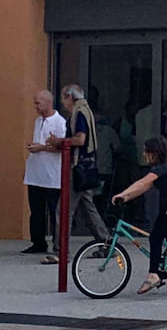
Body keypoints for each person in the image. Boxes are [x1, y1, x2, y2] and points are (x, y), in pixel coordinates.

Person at [112, 137, 167, 296]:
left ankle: (154, 274)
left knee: (155, 237)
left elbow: (142, 182)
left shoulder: (163, 168)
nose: (144, 154)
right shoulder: (160, 168)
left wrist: (122, 193)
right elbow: (144, 188)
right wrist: (126, 198)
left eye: (146, 151)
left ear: (155, 152)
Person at [60, 83, 108, 244]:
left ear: (70, 97)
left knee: (64, 210)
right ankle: (105, 243)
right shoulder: (85, 111)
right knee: (89, 208)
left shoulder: (79, 113)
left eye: (64, 98)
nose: (63, 103)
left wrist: (60, 141)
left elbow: (80, 140)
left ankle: (60, 249)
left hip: (78, 166)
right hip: (85, 166)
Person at [23, 89, 67, 262]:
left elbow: (63, 148)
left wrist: (41, 148)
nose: (35, 106)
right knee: (36, 210)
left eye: (38, 103)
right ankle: (38, 241)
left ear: (48, 103)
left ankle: (58, 244)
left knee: (54, 211)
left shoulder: (60, 122)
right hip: (35, 173)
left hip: (52, 175)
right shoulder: (38, 121)